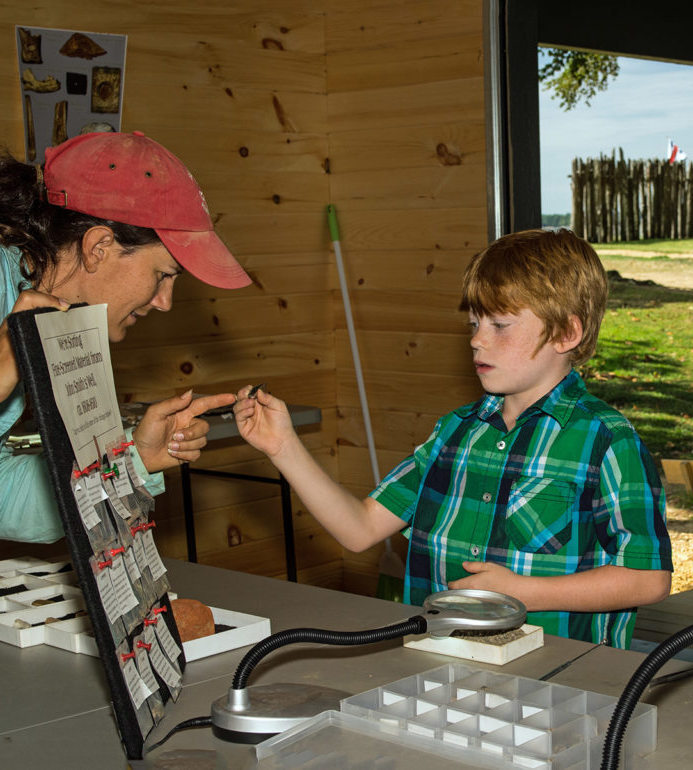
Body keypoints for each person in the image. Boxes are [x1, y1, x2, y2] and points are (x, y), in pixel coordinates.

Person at [233, 228, 672, 648]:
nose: (477, 340)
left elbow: (648, 578)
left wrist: (527, 593)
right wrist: (284, 447)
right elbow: (359, 528)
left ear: (566, 333)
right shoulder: (452, 433)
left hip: (558, 677)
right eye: (474, 323)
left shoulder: (607, 441)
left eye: (500, 325)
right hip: (441, 666)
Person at [0, 130, 251, 543]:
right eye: (163, 275)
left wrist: (133, 462)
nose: (165, 302)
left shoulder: (28, 313)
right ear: (99, 246)